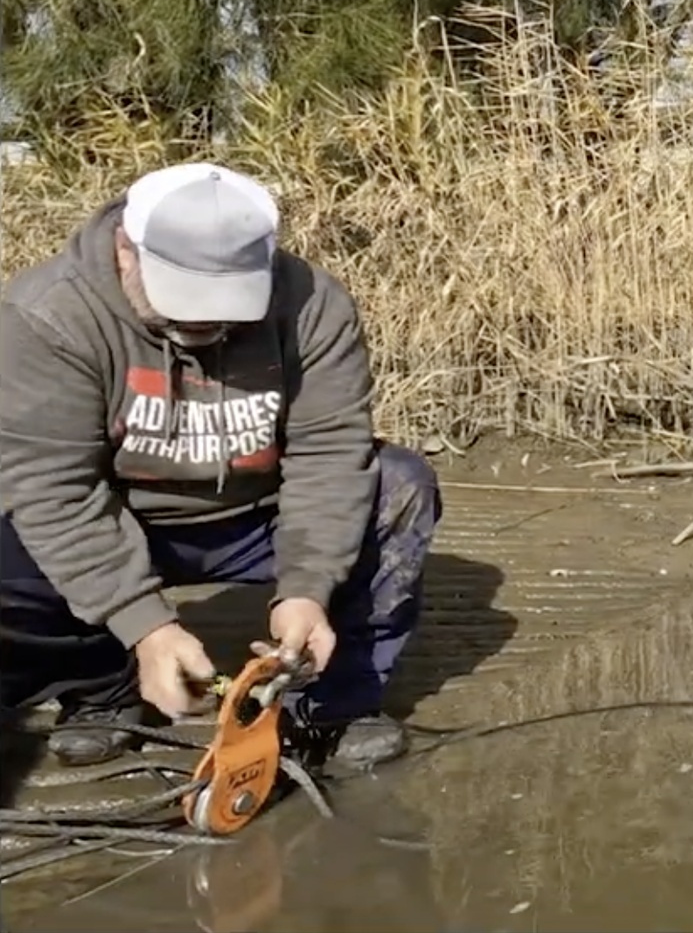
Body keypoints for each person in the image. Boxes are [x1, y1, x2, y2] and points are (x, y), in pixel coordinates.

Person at [0, 163, 440, 771]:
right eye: (183, 301)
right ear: (127, 250)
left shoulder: (313, 303)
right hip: (123, 515)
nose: (206, 322)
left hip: (260, 516)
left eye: (226, 303)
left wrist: (308, 589)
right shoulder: (47, 315)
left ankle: (332, 705)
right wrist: (146, 626)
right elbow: (55, 490)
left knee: (400, 486)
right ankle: (101, 689)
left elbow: (330, 453)